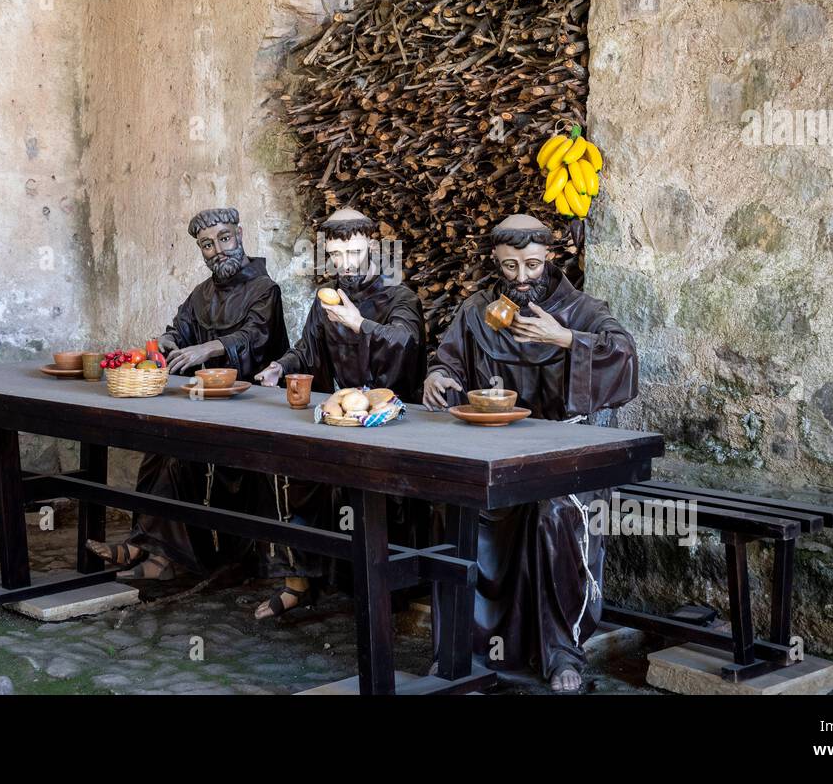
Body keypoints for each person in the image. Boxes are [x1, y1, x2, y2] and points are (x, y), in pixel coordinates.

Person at [423, 213, 639, 692]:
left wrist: (564, 340)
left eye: (533, 266)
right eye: (510, 268)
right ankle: (460, 647)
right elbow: (447, 361)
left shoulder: (581, 309)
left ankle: (562, 651)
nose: (522, 279)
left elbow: (624, 357)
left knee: (555, 512)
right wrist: (438, 378)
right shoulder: (478, 310)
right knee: (454, 504)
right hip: (495, 456)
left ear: (550, 260)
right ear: (496, 264)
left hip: (568, 460)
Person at [86, 207, 289, 580]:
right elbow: (178, 329)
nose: (218, 251)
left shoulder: (265, 290)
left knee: (179, 458)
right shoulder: (201, 294)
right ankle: (144, 546)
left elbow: (255, 338)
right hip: (205, 404)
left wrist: (209, 348)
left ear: (240, 235)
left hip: (251, 406)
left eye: (224, 239)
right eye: (207, 245)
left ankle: (157, 557)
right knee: (158, 449)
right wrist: (167, 341)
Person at [252, 209, 426, 618]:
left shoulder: (401, 297)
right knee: (294, 472)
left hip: (391, 424)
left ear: (373, 245)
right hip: (337, 419)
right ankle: (300, 580)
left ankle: (381, 591)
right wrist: (282, 366)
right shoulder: (324, 299)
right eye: (335, 254)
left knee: (374, 491)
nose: (344, 263)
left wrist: (360, 323)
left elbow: (407, 343)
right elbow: (307, 350)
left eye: (353, 251)